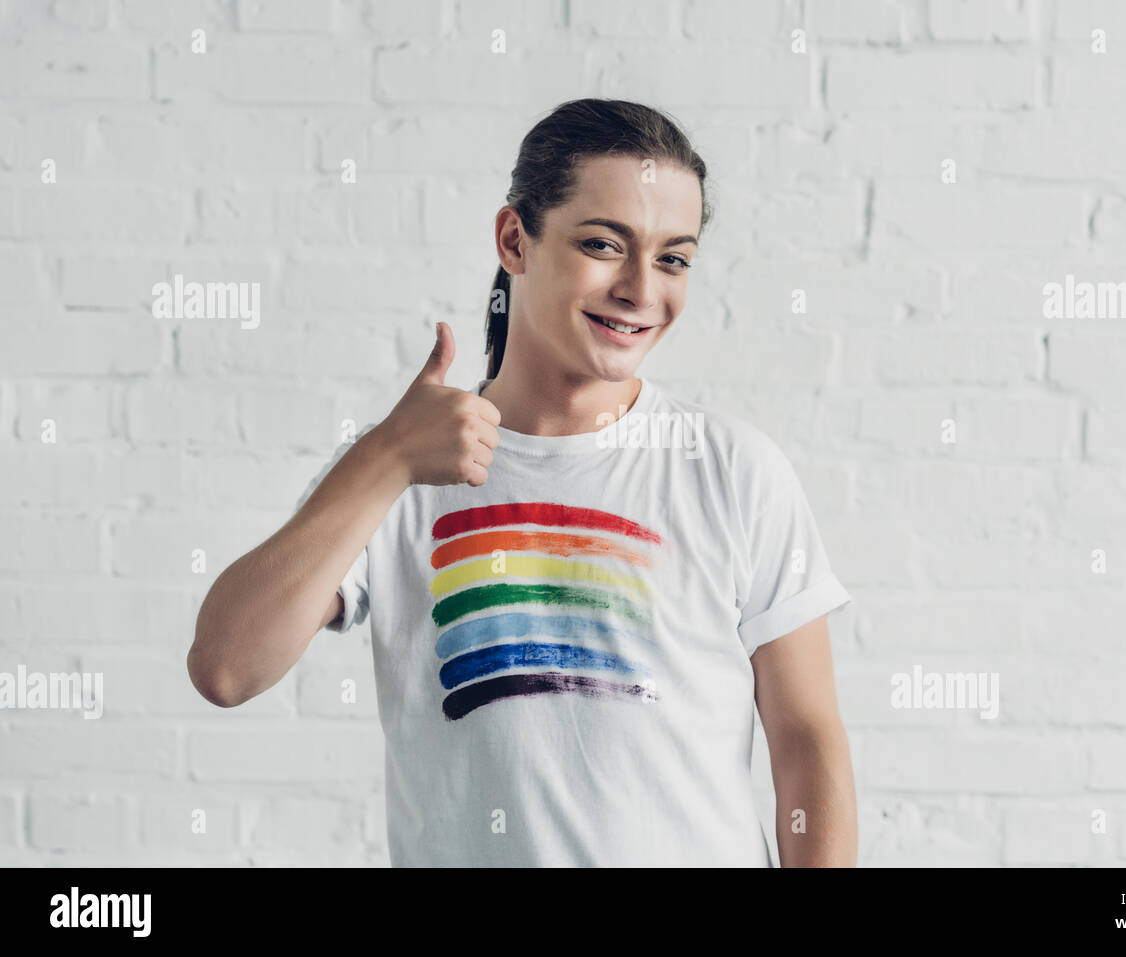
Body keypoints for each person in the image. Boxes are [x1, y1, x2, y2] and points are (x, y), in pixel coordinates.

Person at [188, 98, 857, 867]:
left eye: (673, 257)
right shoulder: (396, 469)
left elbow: (807, 738)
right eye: (605, 244)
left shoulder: (735, 470)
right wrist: (384, 460)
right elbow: (226, 667)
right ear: (515, 239)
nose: (642, 287)